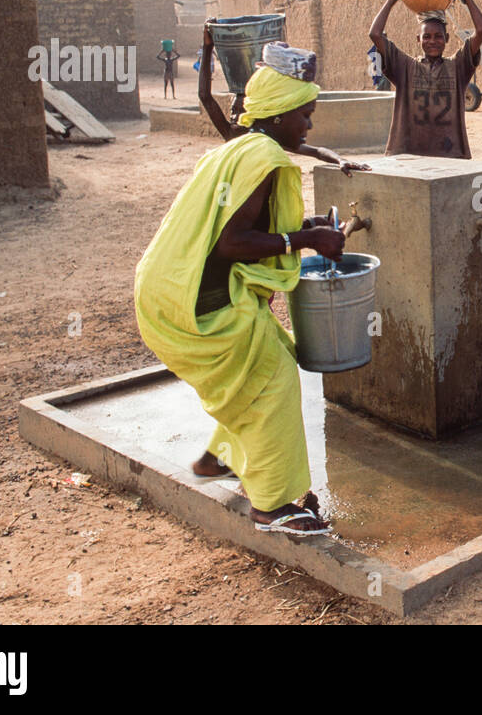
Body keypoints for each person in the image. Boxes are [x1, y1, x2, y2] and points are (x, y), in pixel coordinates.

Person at [134, 60, 346, 535]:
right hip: (197, 304)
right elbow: (232, 243)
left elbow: (241, 226)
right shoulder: (266, 158)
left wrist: (304, 228)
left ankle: (217, 459)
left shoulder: (237, 150)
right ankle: (272, 508)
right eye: (304, 115)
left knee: (252, 370)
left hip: (164, 288)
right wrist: (305, 243)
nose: (309, 125)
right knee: (272, 381)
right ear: (277, 117)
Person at [198, 28, 370, 177]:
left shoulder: (269, 136)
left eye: (240, 109)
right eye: (234, 111)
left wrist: (341, 160)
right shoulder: (234, 135)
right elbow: (205, 96)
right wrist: (207, 48)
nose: (237, 114)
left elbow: (316, 151)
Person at [368, 0, 482, 158]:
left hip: (450, 154)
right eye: (427, 36)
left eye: (438, 36)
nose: (433, 41)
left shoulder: (458, 67)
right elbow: (375, 34)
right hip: (408, 154)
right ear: (418, 39)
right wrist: (391, 0)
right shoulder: (405, 67)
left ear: (447, 38)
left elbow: (481, 30)